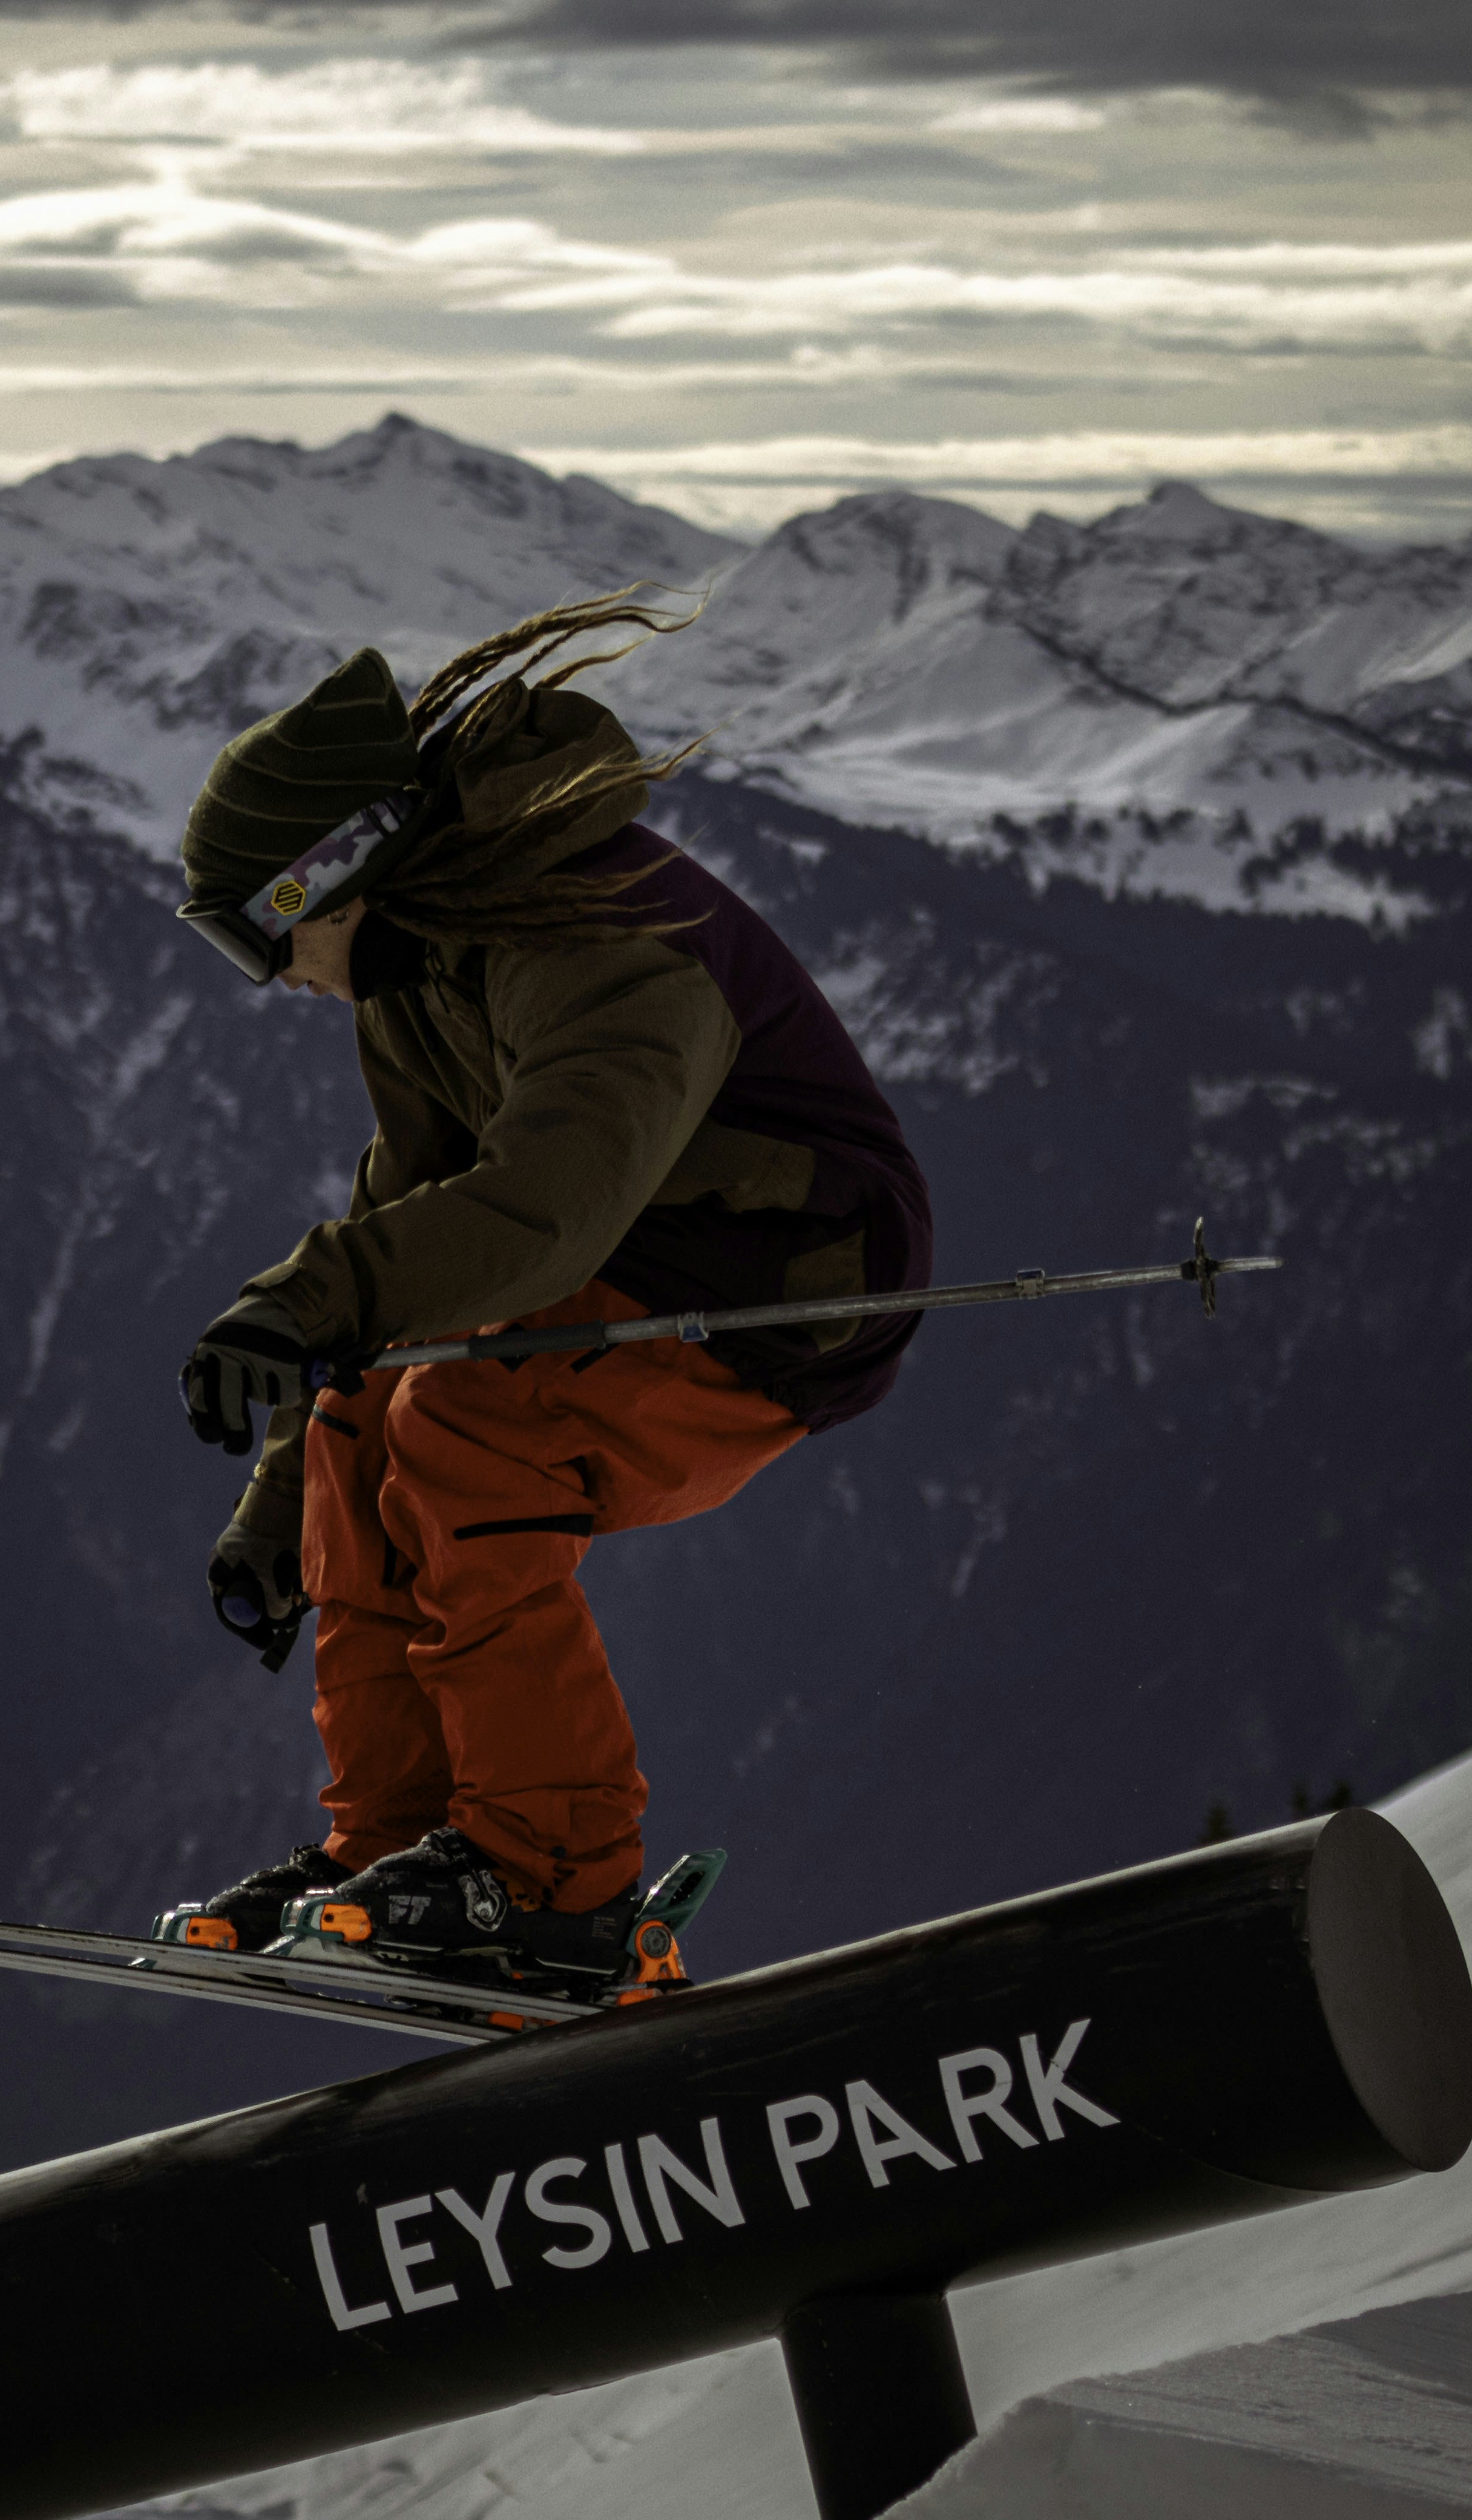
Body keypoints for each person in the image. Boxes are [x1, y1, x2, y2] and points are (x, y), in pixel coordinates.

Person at [160, 593, 932, 1993]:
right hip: (629, 1256)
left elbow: (547, 1204)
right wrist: (283, 1510)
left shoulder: (598, 926)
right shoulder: (415, 970)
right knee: (362, 1423)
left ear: (323, 878)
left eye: (251, 939)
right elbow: (404, 1224)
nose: (266, 982)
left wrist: (304, 1299)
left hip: (790, 1280)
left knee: (468, 1427)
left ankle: (550, 1882)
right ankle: (399, 1848)